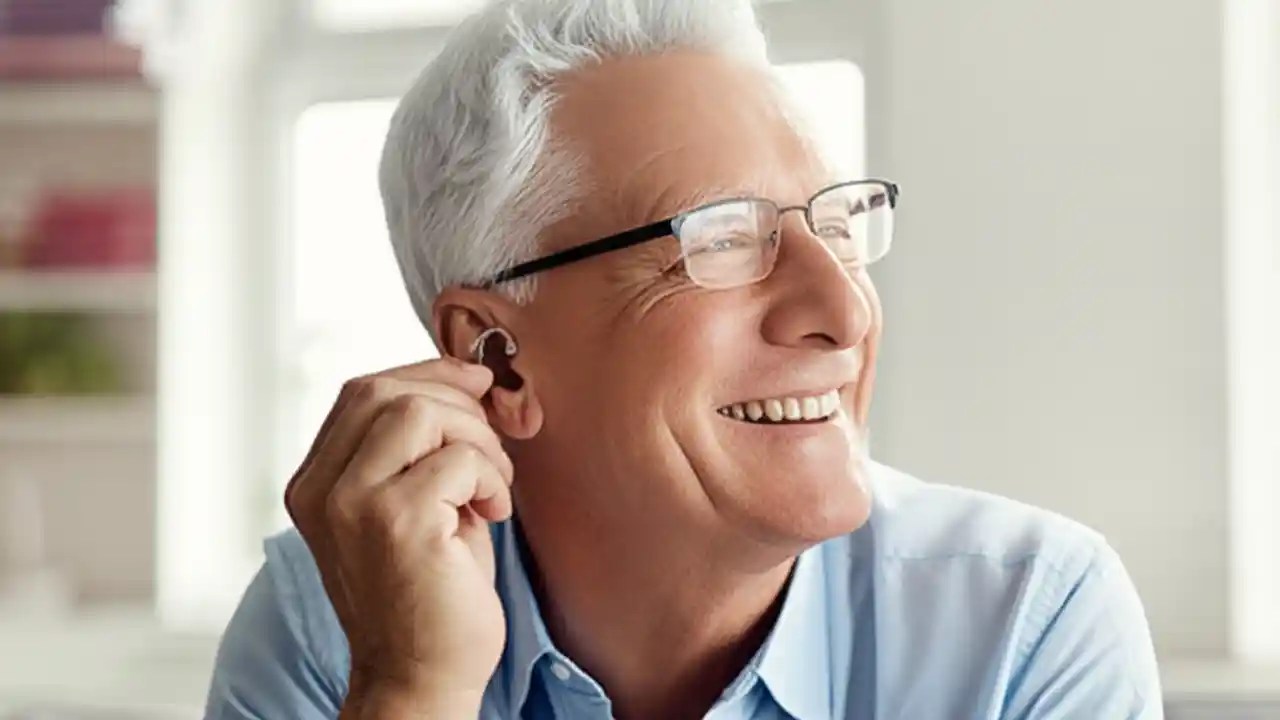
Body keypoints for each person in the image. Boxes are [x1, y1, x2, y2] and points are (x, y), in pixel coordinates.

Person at [204, 1, 1162, 718]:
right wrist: (412, 690)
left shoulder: (1024, 623)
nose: (843, 312)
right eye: (723, 239)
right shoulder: (336, 628)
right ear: (498, 358)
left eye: (836, 226)